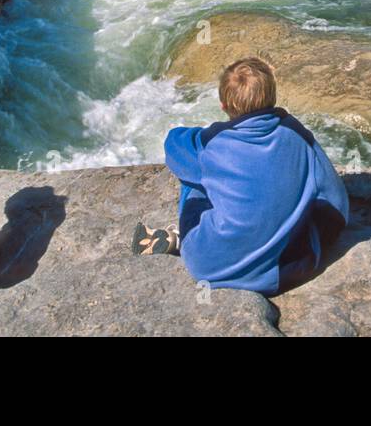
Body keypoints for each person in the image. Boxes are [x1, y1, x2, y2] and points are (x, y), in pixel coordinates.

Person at [144, 58, 349, 295]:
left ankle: (186, 237)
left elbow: (173, 146)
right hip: (286, 271)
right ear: (273, 98)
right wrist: (317, 231)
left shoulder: (213, 142)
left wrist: (202, 134)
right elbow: (337, 203)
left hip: (207, 266)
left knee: (194, 177)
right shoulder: (298, 136)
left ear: (223, 105)